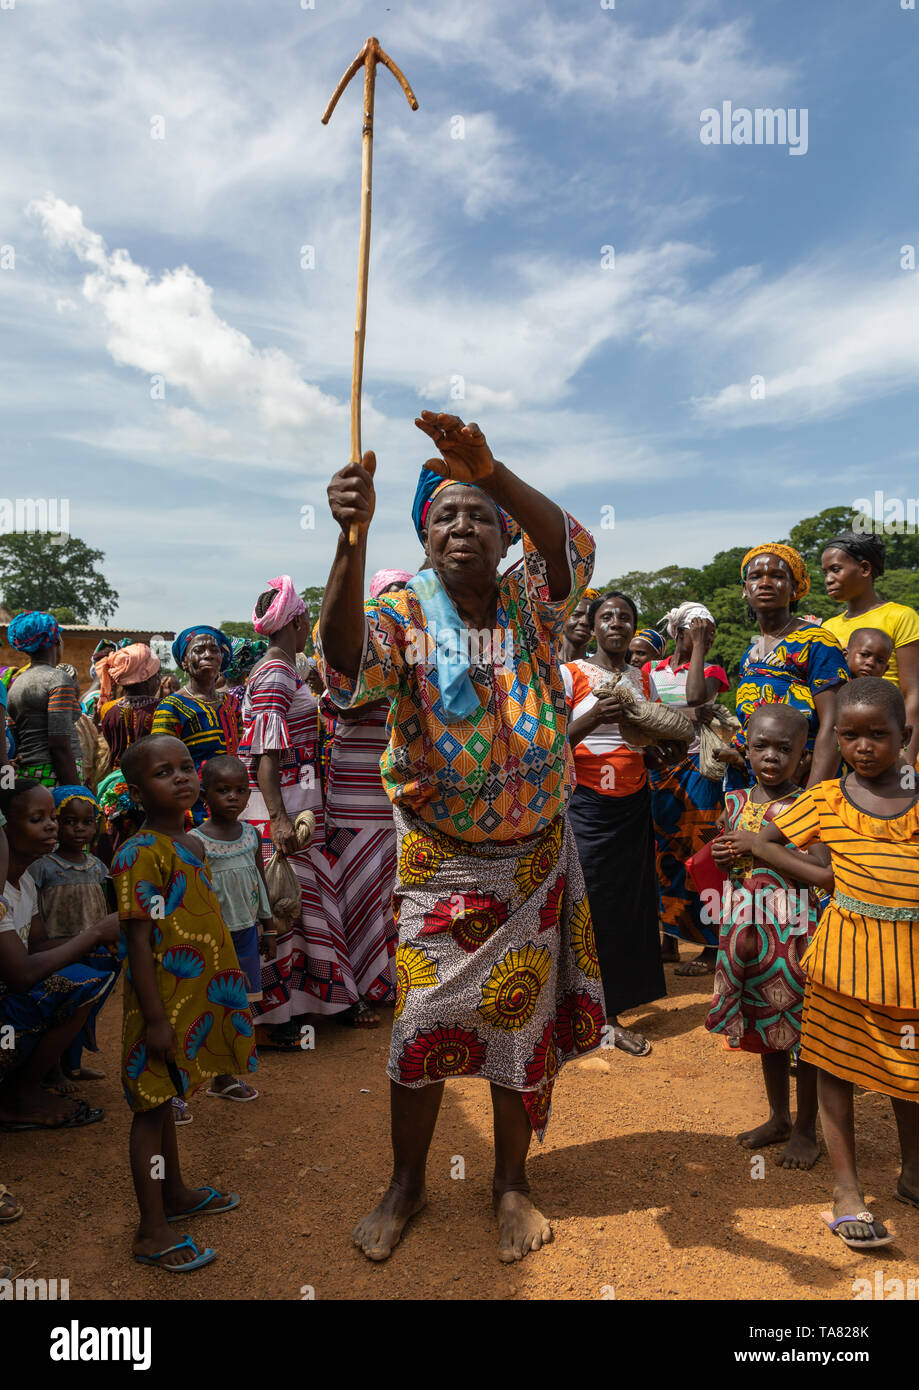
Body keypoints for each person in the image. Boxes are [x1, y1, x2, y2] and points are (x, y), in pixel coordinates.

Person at [319, 411, 604, 1265]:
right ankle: (406, 1183)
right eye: (444, 513)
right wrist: (348, 541)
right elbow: (343, 665)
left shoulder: (530, 602)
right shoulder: (402, 608)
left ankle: (510, 1183)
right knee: (419, 1026)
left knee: (519, 1024)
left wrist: (492, 468)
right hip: (441, 862)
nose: (461, 526)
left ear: (502, 531)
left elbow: (574, 551)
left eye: (478, 512)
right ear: (422, 532)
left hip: (534, 860)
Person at [751, 679, 919, 1248]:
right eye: (850, 735)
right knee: (835, 1068)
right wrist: (822, 875)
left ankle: (913, 1173)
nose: (864, 746)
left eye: (879, 735)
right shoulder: (824, 799)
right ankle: (846, 1191)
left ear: (906, 736)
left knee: (910, 1076)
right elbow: (767, 840)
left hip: (910, 967)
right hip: (842, 962)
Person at [114, 734, 256, 1271]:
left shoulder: (191, 845)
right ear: (135, 790)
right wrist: (155, 1020)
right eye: (161, 772)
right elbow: (138, 941)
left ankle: (174, 1194)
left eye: (184, 768)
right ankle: (152, 1230)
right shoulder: (138, 852)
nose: (179, 778)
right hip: (159, 1007)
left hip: (190, 1001)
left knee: (168, 1098)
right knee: (150, 1109)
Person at [705, 705, 828, 1169]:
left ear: (804, 753)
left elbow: (822, 872)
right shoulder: (735, 800)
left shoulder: (810, 805)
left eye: (785, 749)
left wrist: (763, 847)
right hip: (746, 934)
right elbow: (730, 863)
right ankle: (778, 1117)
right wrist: (723, 855)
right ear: (746, 747)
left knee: (803, 1034)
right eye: (761, 747)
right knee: (764, 1027)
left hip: (794, 934)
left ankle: (806, 1129)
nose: (771, 757)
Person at [239, 577, 353, 1042]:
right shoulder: (274, 675)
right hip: (281, 809)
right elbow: (265, 755)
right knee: (282, 909)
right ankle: (273, 1018)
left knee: (295, 908)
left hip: (296, 805)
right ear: (299, 622)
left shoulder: (282, 671)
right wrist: (279, 818)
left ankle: (295, 1008)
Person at [562, 591, 665, 1057]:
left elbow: (647, 738)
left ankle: (614, 1006)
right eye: (607, 616)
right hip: (587, 804)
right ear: (593, 625)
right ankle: (594, 1015)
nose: (616, 624)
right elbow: (551, 738)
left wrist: (661, 748)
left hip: (632, 801)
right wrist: (592, 717)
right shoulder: (572, 674)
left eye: (625, 617)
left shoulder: (642, 678)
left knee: (629, 904)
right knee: (593, 904)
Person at [0, 779, 119, 1130]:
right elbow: (21, 973)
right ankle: (15, 1096)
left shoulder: (23, 882)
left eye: (52, 816)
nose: (52, 825)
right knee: (76, 982)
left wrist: (96, 942)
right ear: (5, 830)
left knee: (92, 969)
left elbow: (37, 946)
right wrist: (95, 932)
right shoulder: (2, 892)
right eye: (38, 819)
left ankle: (25, 1086)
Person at [718, 545, 848, 788]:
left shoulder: (816, 641)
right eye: (756, 576)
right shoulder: (750, 655)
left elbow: (835, 725)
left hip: (805, 778)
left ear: (795, 588)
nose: (765, 583)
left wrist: (812, 797)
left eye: (777, 576)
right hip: (755, 781)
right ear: (745, 590)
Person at [648, 604, 728, 976]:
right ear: (677, 632)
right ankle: (669, 941)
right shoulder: (651, 670)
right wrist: (684, 718)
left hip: (698, 771)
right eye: (698, 633)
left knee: (702, 854)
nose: (706, 640)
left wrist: (696, 649)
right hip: (661, 770)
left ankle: (711, 947)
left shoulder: (711, 670)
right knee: (664, 855)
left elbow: (697, 698)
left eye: (709, 635)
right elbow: (642, 714)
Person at [194, 755, 275, 1101]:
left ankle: (223, 1077)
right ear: (204, 795)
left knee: (236, 1006)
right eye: (223, 790)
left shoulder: (251, 835)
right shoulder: (194, 841)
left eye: (240, 790)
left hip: (245, 936)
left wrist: (268, 928)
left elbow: (260, 880)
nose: (233, 797)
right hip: (212, 938)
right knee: (206, 1007)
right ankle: (188, 1083)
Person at [30, 784, 115, 1086]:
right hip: (57, 952)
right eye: (69, 821)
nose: (79, 829)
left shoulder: (97, 867)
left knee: (85, 1010)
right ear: (56, 822)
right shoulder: (43, 867)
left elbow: (104, 907)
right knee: (60, 1011)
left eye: (87, 821)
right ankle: (52, 1070)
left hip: (93, 951)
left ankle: (72, 1065)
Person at [822, 531, 919, 765]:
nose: (828, 579)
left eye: (835, 569)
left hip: (890, 745)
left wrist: (905, 761)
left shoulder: (900, 616)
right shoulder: (828, 628)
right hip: (847, 750)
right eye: (825, 572)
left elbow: (914, 694)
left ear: (865, 569)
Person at [151, 627, 240, 824]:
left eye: (214, 650)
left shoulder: (232, 704)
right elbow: (161, 765)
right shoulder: (171, 707)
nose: (208, 655)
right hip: (192, 812)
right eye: (199, 650)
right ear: (184, 661)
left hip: (233, 805)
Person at [6, 611, 81, 786]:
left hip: (28, 775)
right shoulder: (58, 679)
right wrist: (75, 791)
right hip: (57, 773)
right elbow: (59, 745)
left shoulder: (15, 684)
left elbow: (14, 736)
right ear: (56, 641)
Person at [99, 643, 162, 767]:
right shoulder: (161, 708)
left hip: (116, 779)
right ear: (147, 680)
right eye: (157, 675)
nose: (159, 680)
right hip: (152, 777)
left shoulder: (108, 710)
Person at [557, 592, 596, 664]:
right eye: (576, 615)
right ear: (562, 619)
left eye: (590, 618)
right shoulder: (545, 665)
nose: (585, 622)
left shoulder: (601, 670)